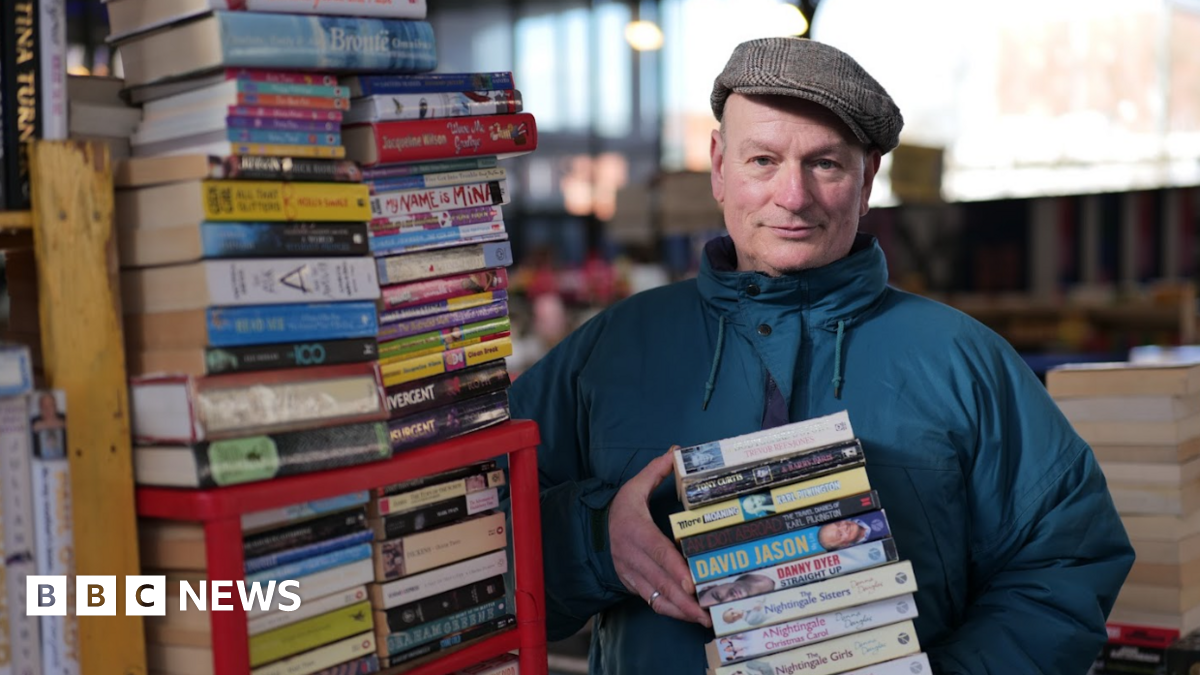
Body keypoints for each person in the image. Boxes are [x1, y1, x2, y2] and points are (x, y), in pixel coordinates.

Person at [509, 36, 1134, 675]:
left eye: (826, 164)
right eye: (762, 160)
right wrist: (593, 543)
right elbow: (468, 542)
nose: (793, 196)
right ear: (720, 167)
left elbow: (1066, 560)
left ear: (868, 180)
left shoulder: (964, 362)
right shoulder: (610, 352)